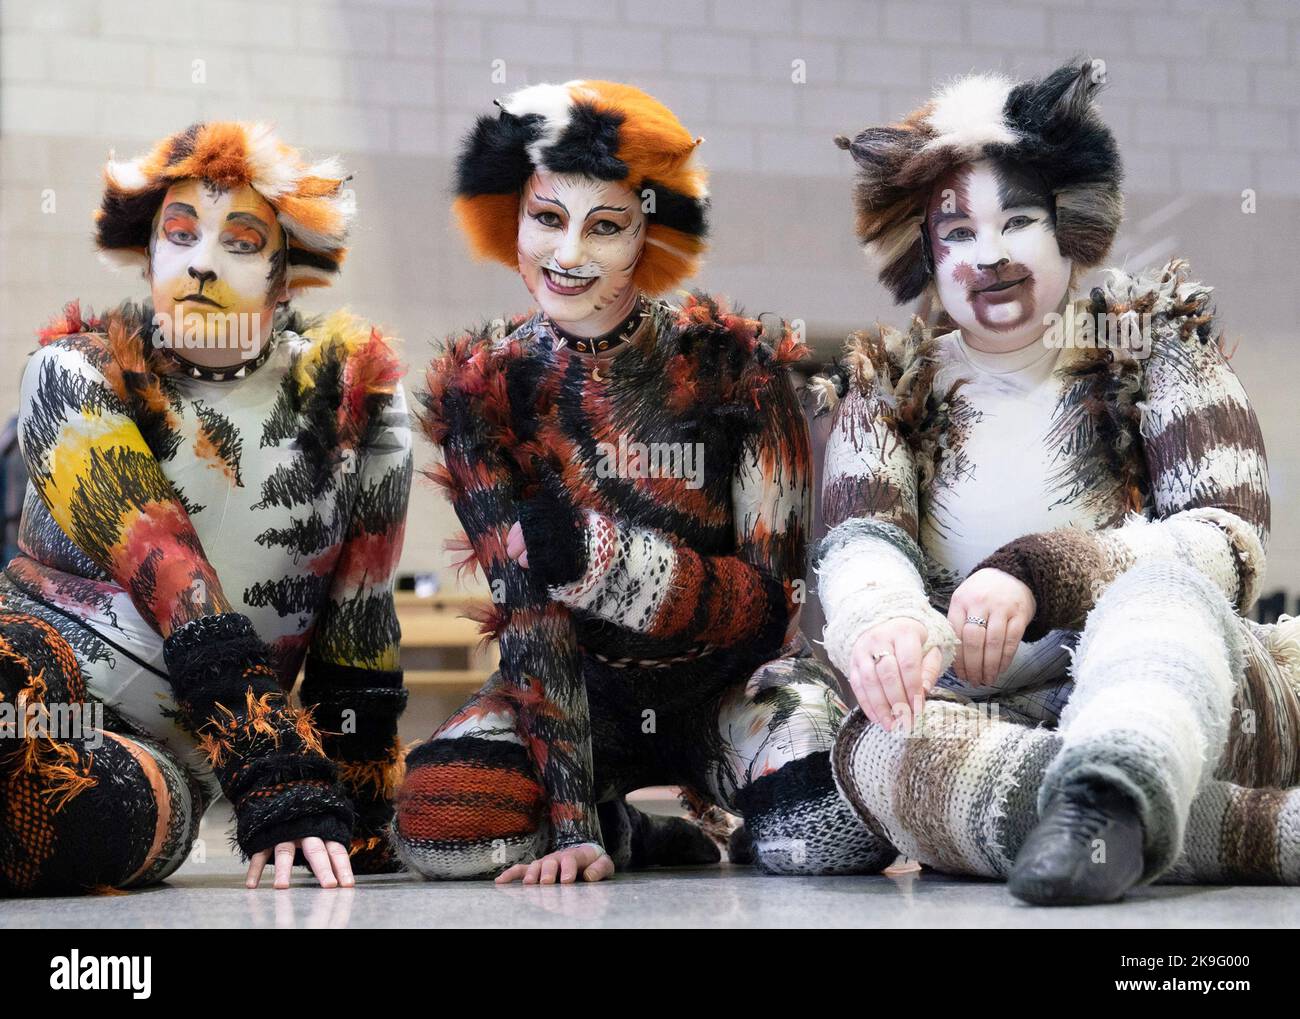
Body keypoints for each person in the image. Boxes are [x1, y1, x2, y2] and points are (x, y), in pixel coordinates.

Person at [817, 61, 1300, 904]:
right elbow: (861, 540)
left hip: (1176, 684)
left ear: (1068, 222)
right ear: (924, 253)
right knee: (874, 745)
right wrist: (885, 623)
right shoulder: (891, 385)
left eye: (1018, 220)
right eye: (957, 232)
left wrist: (1041, 569)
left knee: (1163, 592)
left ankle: (1111, 793)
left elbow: (1227, 541)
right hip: (993, 714)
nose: (989, 254)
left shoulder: (1155, 346)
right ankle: (1235, 830)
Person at [392, 80, 890, 883]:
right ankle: (635, 835)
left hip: (732, 683)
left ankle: (742, 818)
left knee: (831, 832)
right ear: (511, 221)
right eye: (547, 219)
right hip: (579, 693)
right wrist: (576, 828)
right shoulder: (480, 389)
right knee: (444, 830)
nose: (568, 256)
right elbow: (529, 624)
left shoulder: (739, 366)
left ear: (649, 235)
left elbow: (769, 609)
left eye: (606, 227)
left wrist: (604, 562)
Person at [0, 122, 413, 894]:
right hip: (35, 667)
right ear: (149, 252)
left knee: (88, 814)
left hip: (168, 762)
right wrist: (273, 763)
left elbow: (356, 638)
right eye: (179, 234)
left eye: (242, 241)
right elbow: (165, 564)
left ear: (285, 273)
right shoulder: (74, 373)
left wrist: (356, 822)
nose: (199, 262)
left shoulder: (359, 406)